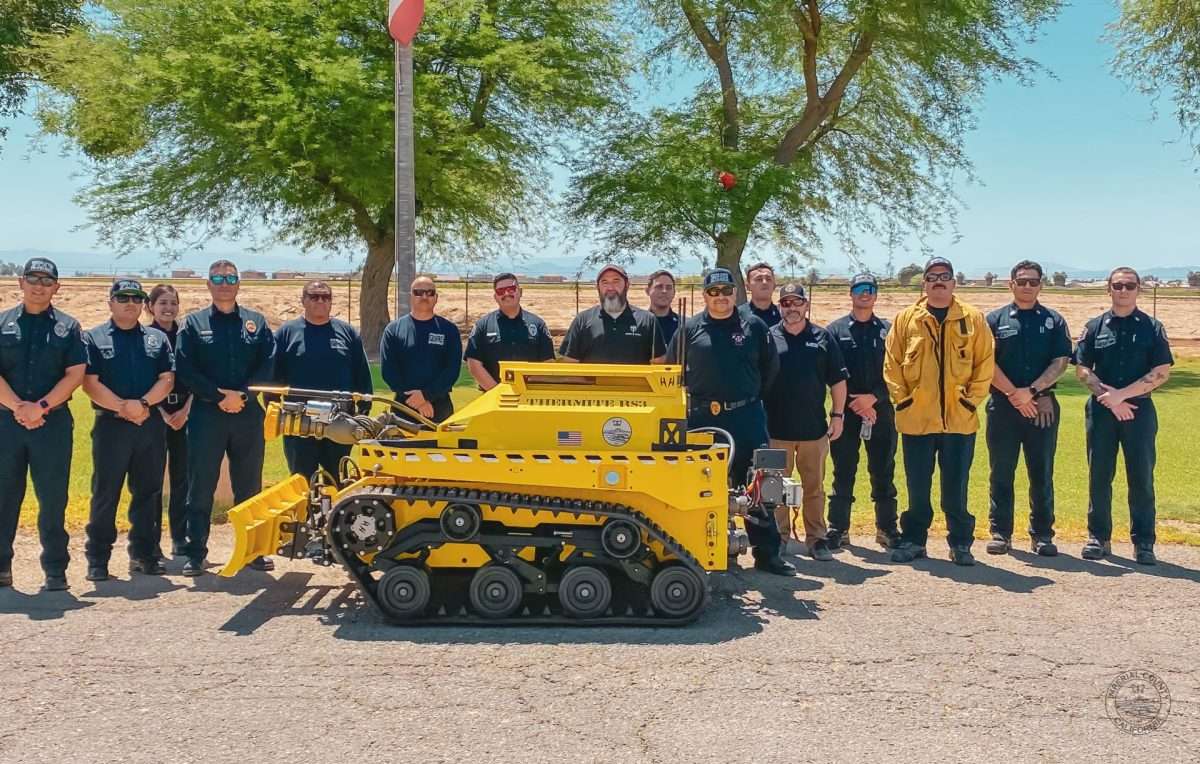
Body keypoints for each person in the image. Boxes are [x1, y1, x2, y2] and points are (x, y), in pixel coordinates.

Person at [666, 268, 793, 576]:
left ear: (735, 293)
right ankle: (703, 549)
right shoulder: (689, 328)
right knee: (700, 484)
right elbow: (671, 371)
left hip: (745, 415)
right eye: (713, 292)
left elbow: (770, 369)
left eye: (726, 291)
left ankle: (767, 553)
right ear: (704, 295)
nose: (720, 297)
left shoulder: (754, 326)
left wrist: (747, 399)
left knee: (757, 485)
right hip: (700, 418)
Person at [883, 256, 994, 566]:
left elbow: (984, 366)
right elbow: (891, 365)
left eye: (944, 276)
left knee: (955, 490)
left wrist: (970, 401)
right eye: (932, 277)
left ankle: (960, 543)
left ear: (954, 283)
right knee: (918, 488)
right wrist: (903, 400)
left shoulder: (973, 319)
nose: (938, 281)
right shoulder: (906, 319)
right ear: (925, 284)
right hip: (916, 419)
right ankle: (914, 540)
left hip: (959, 421)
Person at [175, 260, 276, 577]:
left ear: (238, 284)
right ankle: (195, 553)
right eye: (217, 278)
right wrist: (220, 396)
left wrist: (243, 395)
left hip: (247, 413)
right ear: (208, 284)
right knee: (200, 484)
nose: (224, 283)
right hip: (207, 413)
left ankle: (253, 551)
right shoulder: (193, 324)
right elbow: (186, 368)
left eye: (230, 277)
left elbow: (268, 365)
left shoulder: (255, 323)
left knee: (249, 485)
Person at [1074, 267, 1173, 565]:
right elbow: (1082, 369)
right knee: (1099, 475)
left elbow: (1161, 372)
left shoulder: (1153, 328)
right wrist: (1110, 399)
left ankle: (1143, 542)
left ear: (1138, 289)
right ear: (1109, 289)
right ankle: (1098, 537)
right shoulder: (1094, 327)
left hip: (1139, 411)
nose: (1123, 290)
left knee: (1141, 477)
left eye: (1129, 285)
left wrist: (1123, 396)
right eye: (1117, 285)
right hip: (1102, 410)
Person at [0, 258, 86, 591]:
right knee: (5, 496)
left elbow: (75, 374)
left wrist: (42, 407)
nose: (39, 285)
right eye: (33, 278)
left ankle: (55, 569)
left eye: (47, 280)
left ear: (56, 287)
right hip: (7, 422)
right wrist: (19, 408)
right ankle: (2, 567)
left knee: (53, 499)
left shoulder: (68, 327)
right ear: (20, 282)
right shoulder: (3, 323)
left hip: (52, 423)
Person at [81, 279, 175, 581]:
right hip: (111, 427)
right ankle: (98, 558)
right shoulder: (93, 338)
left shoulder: (156, 339)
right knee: (106, 493)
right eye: (123, 297)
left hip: (149, 425)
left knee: (148, 493)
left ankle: (145, 554)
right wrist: (123, 407)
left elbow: (167, 379)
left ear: (143, 304)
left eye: (137, 298)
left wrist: (143, 404)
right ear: (110, 302)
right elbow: (90, 384)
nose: (130, 302)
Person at [984, 261, 1073, 557]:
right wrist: (1014, 394)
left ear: (1040, 285)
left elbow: (1060, 362)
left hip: (1042, 406)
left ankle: (1043, 534)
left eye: (1033, 282)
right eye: (1021, 281)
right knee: (1001, 472)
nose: (1027, 286)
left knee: (1041, 472)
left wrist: (1033, 391)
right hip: (1004, 407)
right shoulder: (994, 320)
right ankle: (1000, 532)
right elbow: (987, 363)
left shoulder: (1054, 321)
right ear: (1011, 284)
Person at [763, 283, 847, 562]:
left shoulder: (822, 337)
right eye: (786, 303)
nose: (792, 308)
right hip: (775, 429)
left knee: (814, 488)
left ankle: (817, 539)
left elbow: (837, 380)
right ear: (780, 308)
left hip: (813, 430)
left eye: (797, 302)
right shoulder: (769, 337)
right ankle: (779, 538)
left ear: (806, 305)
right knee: (774, 488)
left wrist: (838, 415)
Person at [825, 273, 901, 550]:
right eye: (859, 289)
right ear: (851, 293)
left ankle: (887, 528)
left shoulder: (889, 331)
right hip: (845, 413)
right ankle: (838, 528)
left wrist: (874, 398)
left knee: (883, 471)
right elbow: (832, 373)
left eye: (870, 289)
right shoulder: (835, 331)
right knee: (843, 472)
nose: (864, 294)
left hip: (880, 412)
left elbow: (897, 373)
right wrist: (850, 405)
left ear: (876, 294)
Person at [274, 280, 373, 476]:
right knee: (301, 481)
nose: (320, 301)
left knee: (338, 479)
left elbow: (361, 372)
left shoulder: (347, 332)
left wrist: (363, 410)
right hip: (299, 421)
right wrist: (276, 410)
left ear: (331, 302)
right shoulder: (287, 333)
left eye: (325, 297)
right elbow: (274, 376)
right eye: (314, 296)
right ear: (303, 300)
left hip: (339, 420)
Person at [145, 284, 192, 558]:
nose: (168, 308)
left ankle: (180, 537)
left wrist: (185, 410)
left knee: (182, 480)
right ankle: (151, 542)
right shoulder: (145, 337)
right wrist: (161, 412)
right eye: (162, 303)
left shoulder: (187, 337)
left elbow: (197, 374)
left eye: (173, 303)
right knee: (151, 480)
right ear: (150, 307)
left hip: (185, 414)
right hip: (153, 414)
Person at [379, 276, 462, 422]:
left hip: (439, 407)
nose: (424, 296)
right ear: (410, 296)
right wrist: (416, 400)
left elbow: (452, 370)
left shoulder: (449, 330)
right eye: (419, 292)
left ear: (436, 298)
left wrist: (426, 396)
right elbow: (389, 372)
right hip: (403, 408)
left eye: (430, 293)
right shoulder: (393, 330)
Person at [464, 273, 556, 391]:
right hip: (492, 398)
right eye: (500, 291)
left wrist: (527, 389)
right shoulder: (483, 325)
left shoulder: (538, 324)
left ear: (520, 292)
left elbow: (547, 362)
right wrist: (497, 392)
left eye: (511, 289)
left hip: (529, 397)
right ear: (495, 297)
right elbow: (474, 364)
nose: (506, 294)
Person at [560, 264, 666, 364]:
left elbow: (659, 363)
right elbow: (570, 363)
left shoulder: (648, 320)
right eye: (605, 282)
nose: (610, 287)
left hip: (634, 384)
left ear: (627, 285)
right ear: (598, 287)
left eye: (616, 281)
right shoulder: (582, 320)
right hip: (593, 384)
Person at [644, 269, 680, 347]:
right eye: (659, 287)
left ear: (674, 292)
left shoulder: (684, 325)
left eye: (669, 287)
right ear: (647, 291)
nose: (664, 291)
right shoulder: (638, 324)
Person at [739, 262, 782, 327]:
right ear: (748, 286)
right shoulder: (738, 315)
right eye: (759, 279)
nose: (764, 282)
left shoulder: (783, 315)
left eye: (768, 279)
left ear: (774, 286)